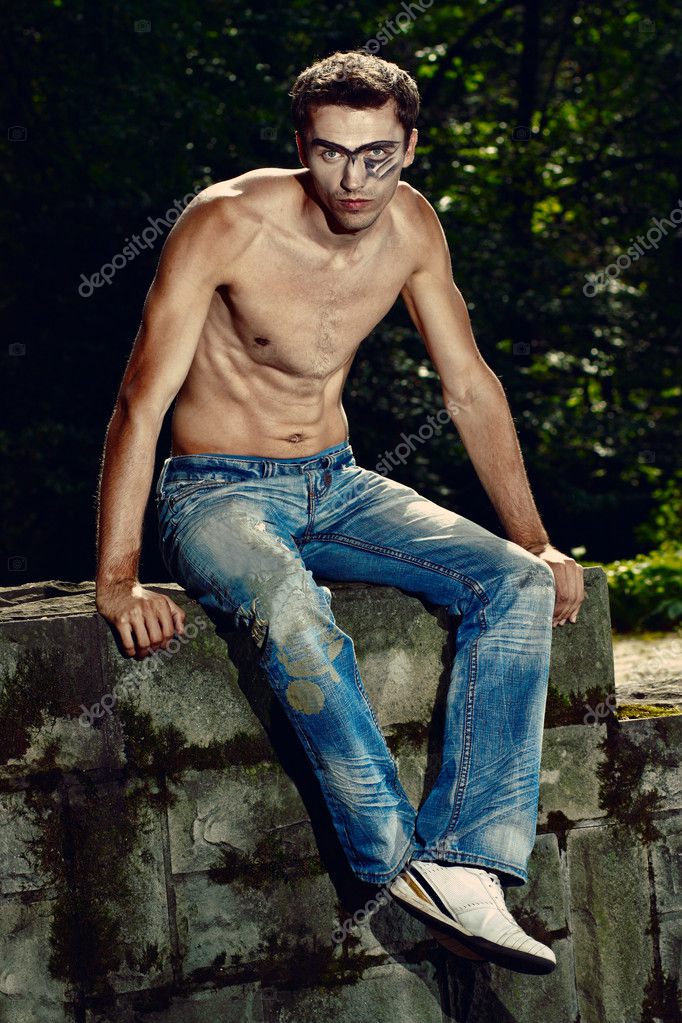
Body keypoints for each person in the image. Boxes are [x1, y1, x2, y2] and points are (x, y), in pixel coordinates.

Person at [95, 50, 585, 975]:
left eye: (376, 155)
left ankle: (469, 861)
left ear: (409, 146)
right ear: (299, 148)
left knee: (515, 582)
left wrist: (536, 537)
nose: (353, 178)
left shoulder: (412, 228)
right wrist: (117, 579)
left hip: (339, 479)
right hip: (215, 491)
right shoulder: (225, 222)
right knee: (286, 601)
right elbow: (140, 401)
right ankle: (396, 861)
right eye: (330, 153)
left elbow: (470, 387)